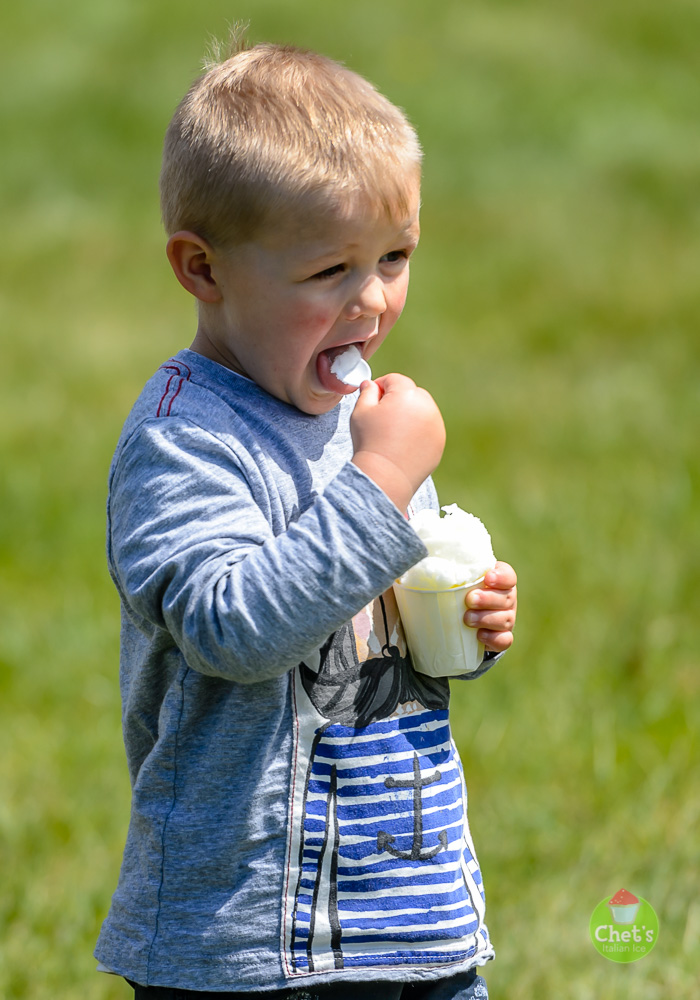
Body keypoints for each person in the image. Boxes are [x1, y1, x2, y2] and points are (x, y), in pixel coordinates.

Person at [95, 34, 518, 1000]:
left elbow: (381, 621)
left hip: (414, 911)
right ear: (203, 269)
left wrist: (465, 624)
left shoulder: (356, 420)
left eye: (396, 257)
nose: (372, 301)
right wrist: (381, 480)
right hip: (248, 940)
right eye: (330, 270)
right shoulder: (184, 441)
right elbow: (234, 628)